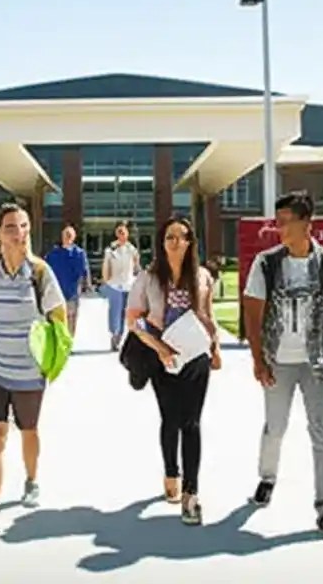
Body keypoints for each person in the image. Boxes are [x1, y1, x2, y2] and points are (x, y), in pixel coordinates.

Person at [242, 190, 323, 546]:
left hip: (316, 361)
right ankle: (267, 478)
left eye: (286, 221)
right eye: (277, 221)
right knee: (275, 427)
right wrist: (258, 358)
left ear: (307, 223)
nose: (279, 227)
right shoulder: (266, 263)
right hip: (279, 360)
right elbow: (252, 312)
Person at [0, 202, 68, 538]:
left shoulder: (40, 273)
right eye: (11, 227)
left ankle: (32, 479)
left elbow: (59, 316)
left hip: (28, 373)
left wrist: (49, 359)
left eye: (23, 226)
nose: (19, 233)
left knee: (29, 431)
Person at [126, 215, 221, 526]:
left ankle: (191, 494)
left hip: (196, 357)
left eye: (181, 236)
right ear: (162, 242)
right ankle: (171, 471)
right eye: (169, 237)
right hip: (162, 357)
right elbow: (134, 320)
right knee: (171, 419)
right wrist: (160, 348)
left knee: (192, 422)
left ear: (190, 242)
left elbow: (207, 315)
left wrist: (215, 347)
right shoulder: (149, 277)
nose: (175, 241)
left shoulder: (203, 277)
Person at [44, 223, 90, 336]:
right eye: (66, 234)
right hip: (56, 293)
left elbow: (84, 271)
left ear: (74, 237)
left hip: (72, 292)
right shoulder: (53, 254)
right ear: (62, 236)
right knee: (57, 319)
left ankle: (68, 343)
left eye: (70, 235)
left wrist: (87, 285)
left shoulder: (79, 254)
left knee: (71, 320)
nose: (68, 237)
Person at [100, 220, 140, 350]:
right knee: (114, 311)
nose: (121, 234)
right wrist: (106, 281)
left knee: (125, 313)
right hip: (115, 285)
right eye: (119, 231)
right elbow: (106, 267)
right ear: (116, 233)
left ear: (127, 233)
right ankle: (114, 334)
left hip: (128, 284)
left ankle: (120, 336)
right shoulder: (110, 249)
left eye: (124, 231)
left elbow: (136, 267)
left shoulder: (132, 249)